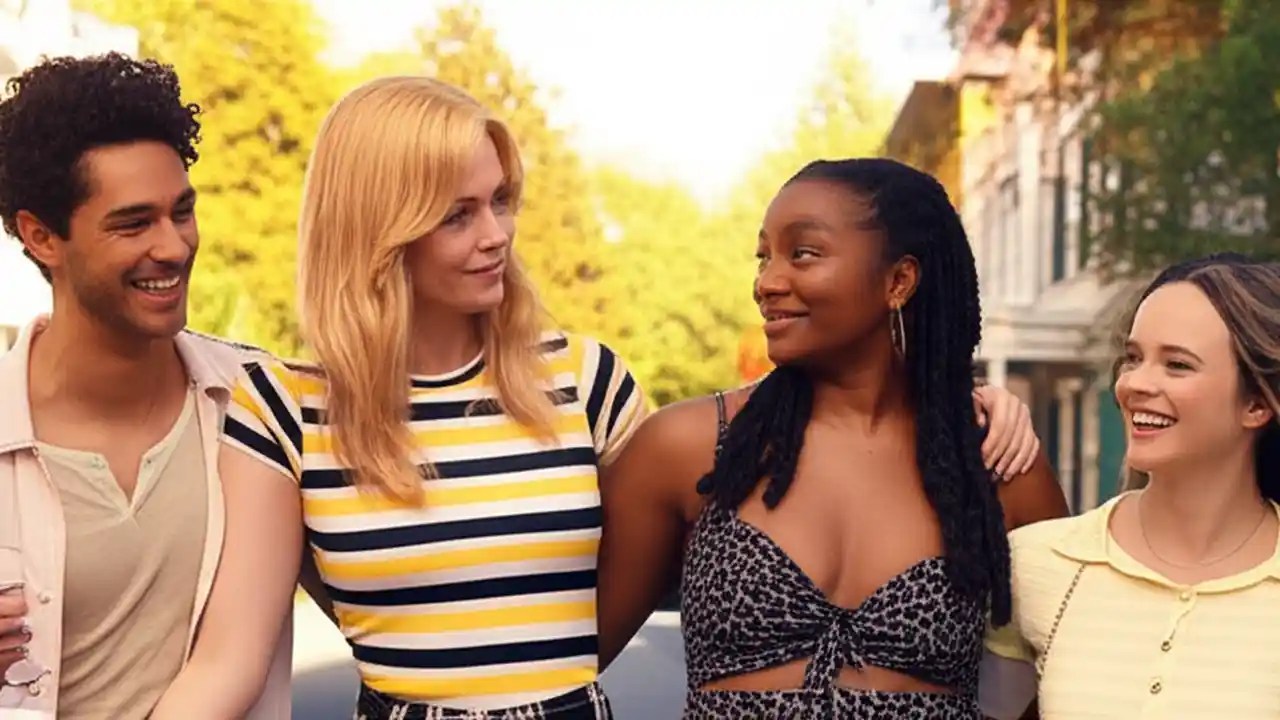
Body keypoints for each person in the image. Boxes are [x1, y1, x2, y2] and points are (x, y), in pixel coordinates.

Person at [157, 78, 1044, 719]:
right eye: (458, 213)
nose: (498, 234)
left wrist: (962, 402)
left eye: (502, 201)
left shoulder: (586, 382)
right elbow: (228, 662)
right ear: (376, 227)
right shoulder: (281, 408)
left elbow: (717, 510)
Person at [595, 157, 1069, 718]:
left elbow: (1070, 687)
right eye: (764, 257)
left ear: (898, 281)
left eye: (803, 253)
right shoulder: (686, 447)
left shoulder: (993, 462)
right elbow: (551, 664)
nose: (767, 283)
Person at [0, 53, 292, 718]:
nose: (174, 246)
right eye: (134, 223)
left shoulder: (262, 404)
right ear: (42, 237)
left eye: (181, 212)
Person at [980, 254, 1280, 720]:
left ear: (1256, 405)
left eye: (1177, 365)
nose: (1135, 383)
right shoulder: (1036, 565)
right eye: (1133, 358)